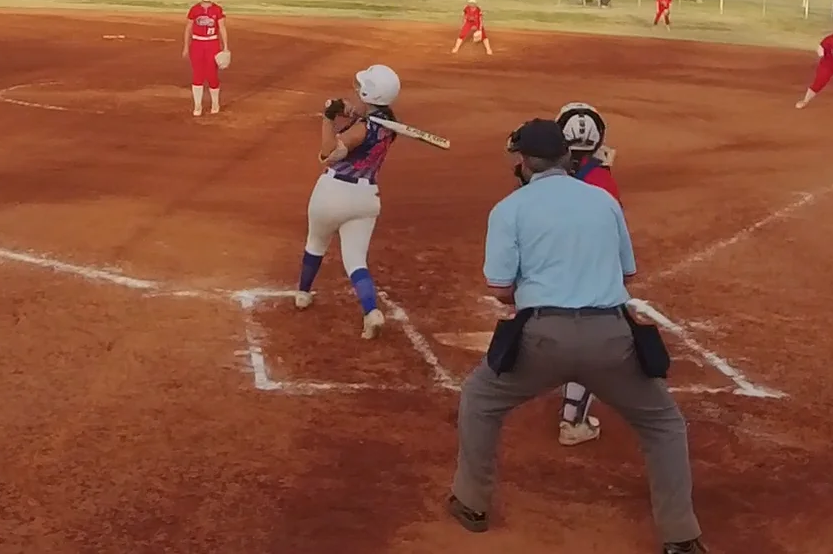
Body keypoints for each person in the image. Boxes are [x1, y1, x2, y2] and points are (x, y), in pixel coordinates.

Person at [447, 118, 705, 553]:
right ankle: (681, 537)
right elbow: (628, 271)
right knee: (663, 424)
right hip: (612, 339)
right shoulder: (603, 200)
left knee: (480, 399)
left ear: (524, 161)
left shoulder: (510, 208)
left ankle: (471, 504)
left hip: (542, 339)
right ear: (568, 157)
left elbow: (499, 288)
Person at [292, 65, 401, 340]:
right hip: (366, 199)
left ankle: (303, 294)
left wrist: (328, 118)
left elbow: (329, 153)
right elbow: (368, 117)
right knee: (355, 260)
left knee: (316, 243)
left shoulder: (362, 130)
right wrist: (348, 109)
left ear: (369, 92)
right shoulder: (389, 127)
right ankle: (371, 311)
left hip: (333, 192)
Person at [553, 102, 618, 447]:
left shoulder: (541, 175)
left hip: (541, 277)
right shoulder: (604, 182)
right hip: (585, 280)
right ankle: (572, 421)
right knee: (592, 349)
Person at [181, 0, 230, 116]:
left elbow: (222, 28)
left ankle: (215, 102)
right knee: (197, 74)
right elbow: (188, 29)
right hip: (197, 44)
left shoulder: (217, 10)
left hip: (212, 43)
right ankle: (197, 105)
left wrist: (225, 47)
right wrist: (186, 46)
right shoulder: (194, 9)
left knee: (212, 75)